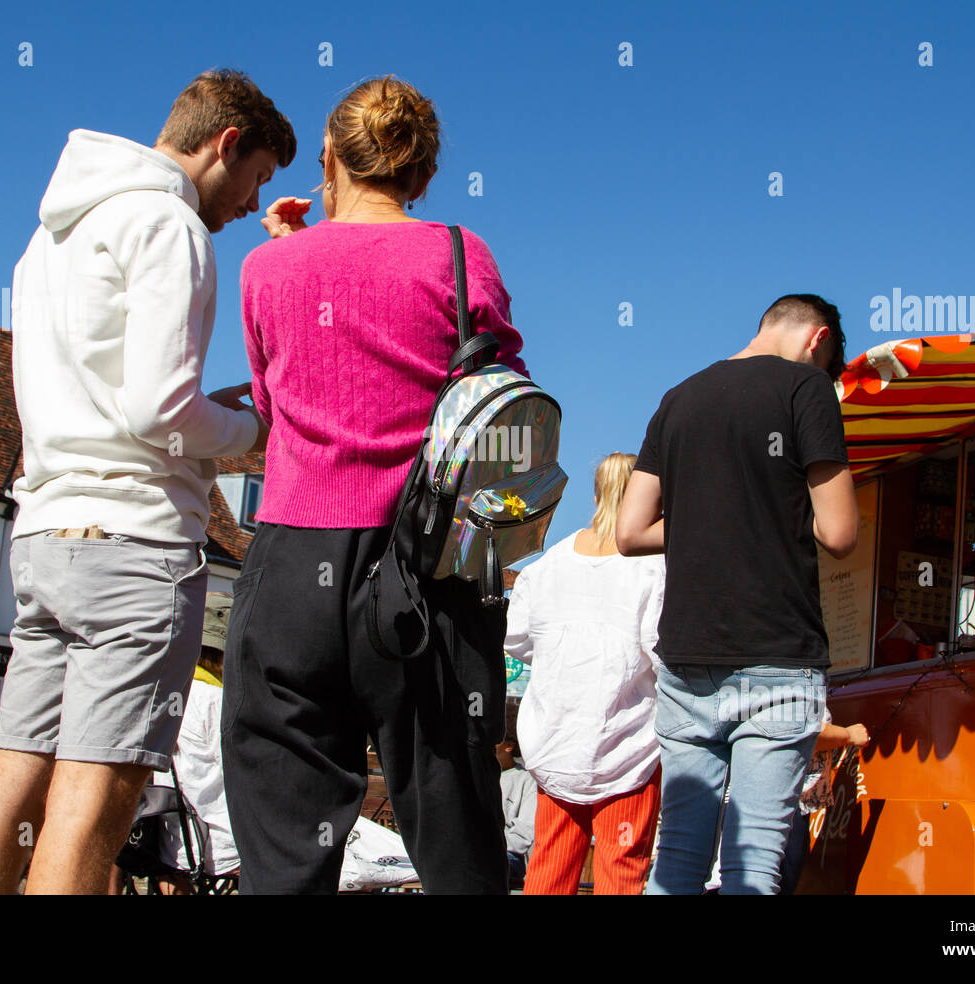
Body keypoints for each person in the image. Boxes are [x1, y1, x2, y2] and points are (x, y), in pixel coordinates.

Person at [0, 70, 295, 895]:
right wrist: (252, 431)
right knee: (95, 797)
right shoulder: (171, 227)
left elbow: (113, 396)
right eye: (258, 179)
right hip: (132, 545)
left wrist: (197, 411)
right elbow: (156, 411)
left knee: (12, 786)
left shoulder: (53, 237)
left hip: (45, 534)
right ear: (228, 144)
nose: (251, 203)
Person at [223, 75, 527, 894]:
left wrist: (292, 247)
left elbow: (270, 403)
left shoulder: (265, 268)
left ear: (326, 160)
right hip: (425, 570)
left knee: (285, 841)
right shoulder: (462, 256)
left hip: (293, 560)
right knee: (455, 824)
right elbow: (505, 404)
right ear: (422, 177)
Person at [617, 293, 858, 895]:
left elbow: (630, 531)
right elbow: (841, 532)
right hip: (777, 657)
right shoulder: (808, 390)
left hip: (687, 660)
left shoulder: (678, 398)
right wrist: (775, 505)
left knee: (676, 857)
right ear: (818, 339)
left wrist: (711, 511)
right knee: (753, 863)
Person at [505, 453, 665, 895]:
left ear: (594, 495)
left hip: (555, 748)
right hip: (627, 747)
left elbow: (516, 640)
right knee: (622, 873)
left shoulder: (546, 567)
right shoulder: (654, 566)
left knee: (548, 874)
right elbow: (664, 655)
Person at [153, 592, 239, 893]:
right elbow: (244, 776)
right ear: (223, 654)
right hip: (220, 847)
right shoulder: (215, 700)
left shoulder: (166, 694)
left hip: (173, 844)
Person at [779, 713, 869, 894]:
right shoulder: (788, 687)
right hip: (783, 803)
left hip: (796, 802)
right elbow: (799, 730)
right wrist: (848, 735)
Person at [495, 704, 537, 889]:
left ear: (509, 746)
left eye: (494, 738)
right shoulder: (476, 774)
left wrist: (491, 845)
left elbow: (526, 831)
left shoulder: (527, 780)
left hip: (507, 854)